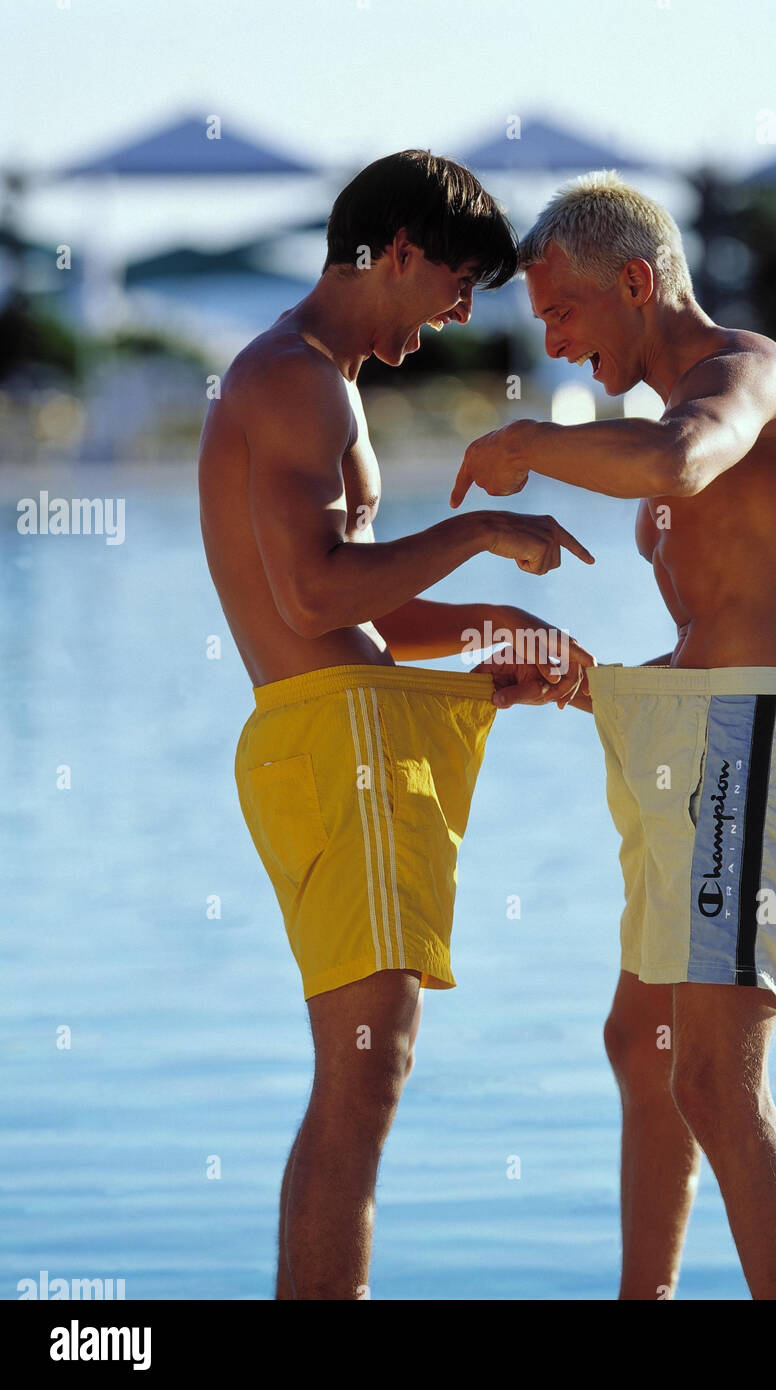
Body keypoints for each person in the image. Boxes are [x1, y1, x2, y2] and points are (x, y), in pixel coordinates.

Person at [451, 171, 776, 1300]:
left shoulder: (750, 379)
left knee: (719, 1079)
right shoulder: (660, 428)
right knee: (645, 1045)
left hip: (759, 736)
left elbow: (679, 463)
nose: (553, 337)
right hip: (697, 731)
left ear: (636, 281)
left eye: (562, 311)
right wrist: (584, 686)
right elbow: (701, 640)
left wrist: (525, 444)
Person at [198, 150, 593, 1300]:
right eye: (459, 284)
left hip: (330, 731)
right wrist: (474, 535)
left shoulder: (306, 374)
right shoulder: (296, 379)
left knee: (355, 1079)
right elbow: (318, 598)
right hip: (337, 749)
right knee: (366, 1079)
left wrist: (480, 629)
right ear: (401, 252)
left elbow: (328, 603)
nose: (461, 315)